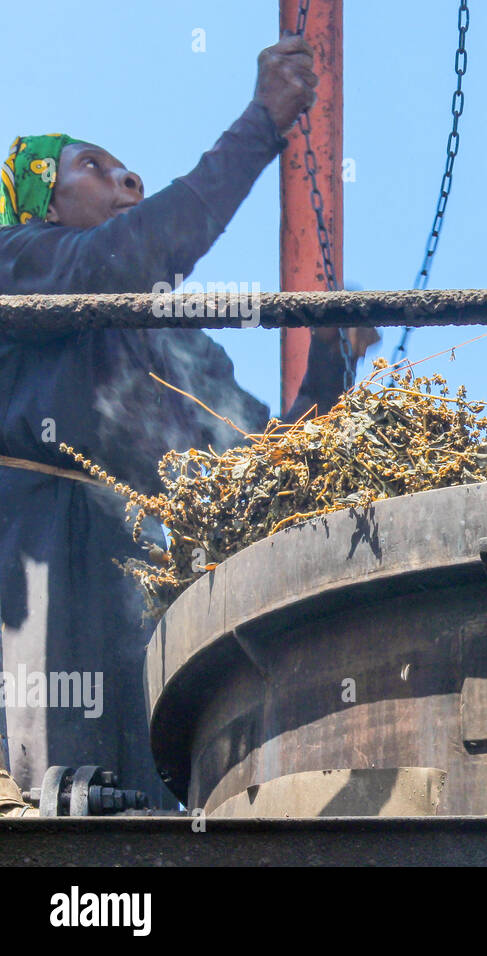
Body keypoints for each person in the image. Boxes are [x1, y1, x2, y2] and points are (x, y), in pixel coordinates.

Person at [0, 34, 373, 807]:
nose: (125, 176)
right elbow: (121, 261)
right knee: (47, 791)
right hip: (30, 551)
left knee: (139, 800)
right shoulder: (19, 263)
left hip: (137, 578)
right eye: (90, 166)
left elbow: (266, 472)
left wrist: (334, 356)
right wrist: (260, 126)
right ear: (42, 204)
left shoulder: (170, 347)